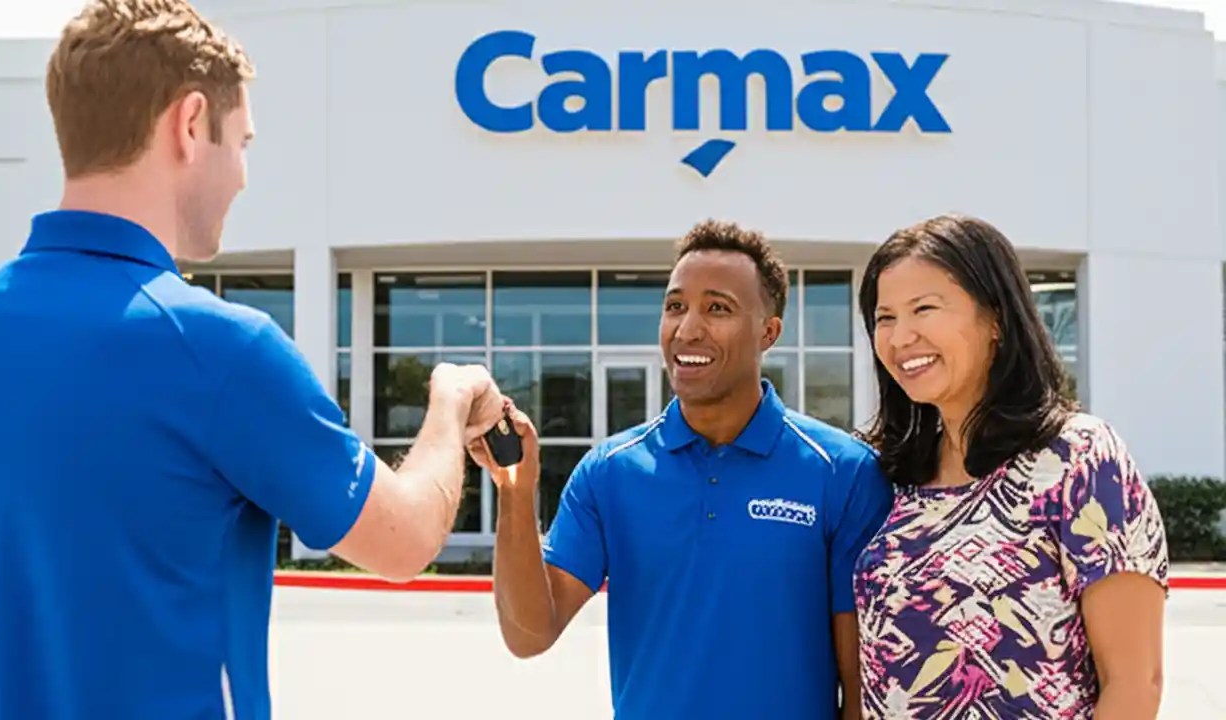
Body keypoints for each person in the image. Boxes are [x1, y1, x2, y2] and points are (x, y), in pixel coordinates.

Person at [0, 2, 505, 719]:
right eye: (241, 141)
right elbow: (405, 540)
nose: (242, 176)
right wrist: (451, 399)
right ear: (189, 124)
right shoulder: (218, 351)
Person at [468, 219, 895, 719]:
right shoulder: (610, 474)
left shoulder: (842, 473)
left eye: (718, 308)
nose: (687, 329)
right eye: (675, 307)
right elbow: (528, 634)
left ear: (769, 332)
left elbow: (862, 684)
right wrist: (514, 491)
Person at [852, 214, 1169, 719]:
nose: (900, 337)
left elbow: (1135, 682)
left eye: (924, 308)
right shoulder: (887, 475)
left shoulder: (1079, 458)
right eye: (884, 317)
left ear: (996, 319)